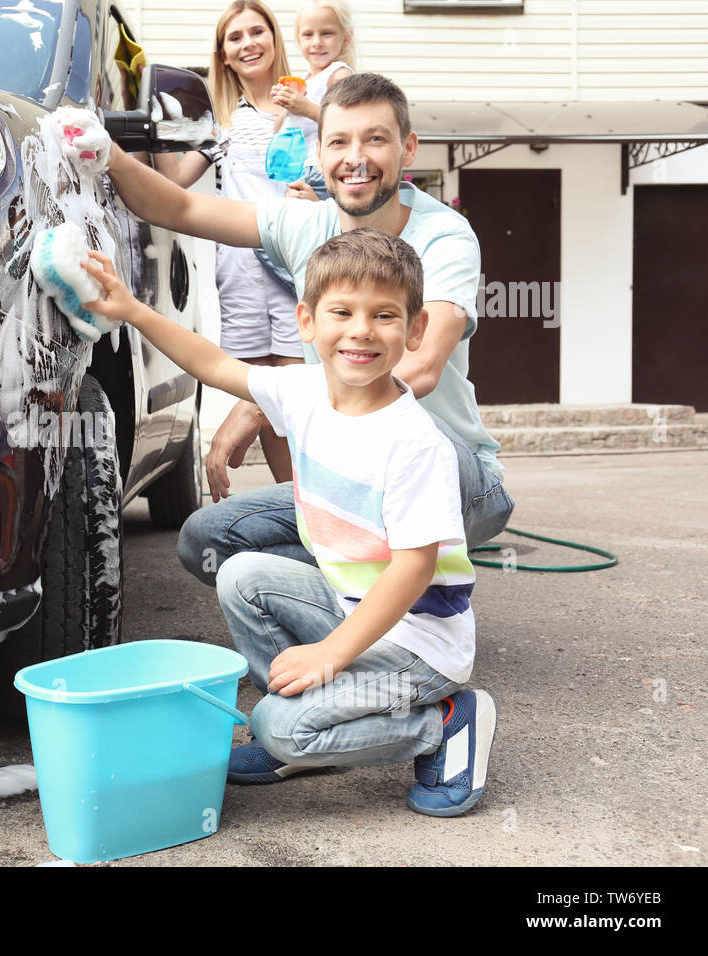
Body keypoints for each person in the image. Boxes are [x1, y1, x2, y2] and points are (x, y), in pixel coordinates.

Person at [78, 228, 497, 816]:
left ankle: (440, 724)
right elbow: (214, 363)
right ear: (307, 320)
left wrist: (330, 653)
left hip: (420, 647)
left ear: (416, 329)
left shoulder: (414, 443)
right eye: (342, 312)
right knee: (242, 573)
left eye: (384, 315)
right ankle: (313, 709)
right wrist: (132, 309)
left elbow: (414, 568)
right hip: (351, 608)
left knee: (278, 727)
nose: (360, 330)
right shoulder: (302, 390)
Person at [93, 71, 511, 581]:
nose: (355, 157)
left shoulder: (444, 236)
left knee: (396, 444)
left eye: (375, 139)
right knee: (208, 540)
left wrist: (267, 404)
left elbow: (418, 372)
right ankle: (365, 595)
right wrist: (106, 153)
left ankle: (400, 589)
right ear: (320, 152)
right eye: (338, 141)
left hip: (457, 475)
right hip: (351, 477)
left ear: (408, 148)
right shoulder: (304, 225)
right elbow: (174, 205)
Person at [152, 1, 305, 482]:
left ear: (275, 38)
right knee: (257, 389)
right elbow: (174, 183)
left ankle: (330, 511)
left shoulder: (306, 107)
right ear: (223, 56)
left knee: (298, 392)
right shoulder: (220, 120)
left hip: (298, 266)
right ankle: (296, 511)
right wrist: (154, 129)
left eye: (257, 32)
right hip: (240, 273)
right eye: (235, 38)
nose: (248, 44)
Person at [271, 0, 356, 199]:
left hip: (323, 170)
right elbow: (277, 130)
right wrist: (286, 105)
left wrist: (305, 107)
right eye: (308, 34)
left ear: (346, 37)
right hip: (298, 169)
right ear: (299, 40)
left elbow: (347, 123)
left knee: (324, 223)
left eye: (326, 33)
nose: (317, 42)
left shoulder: (339, 74)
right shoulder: (304, 79)